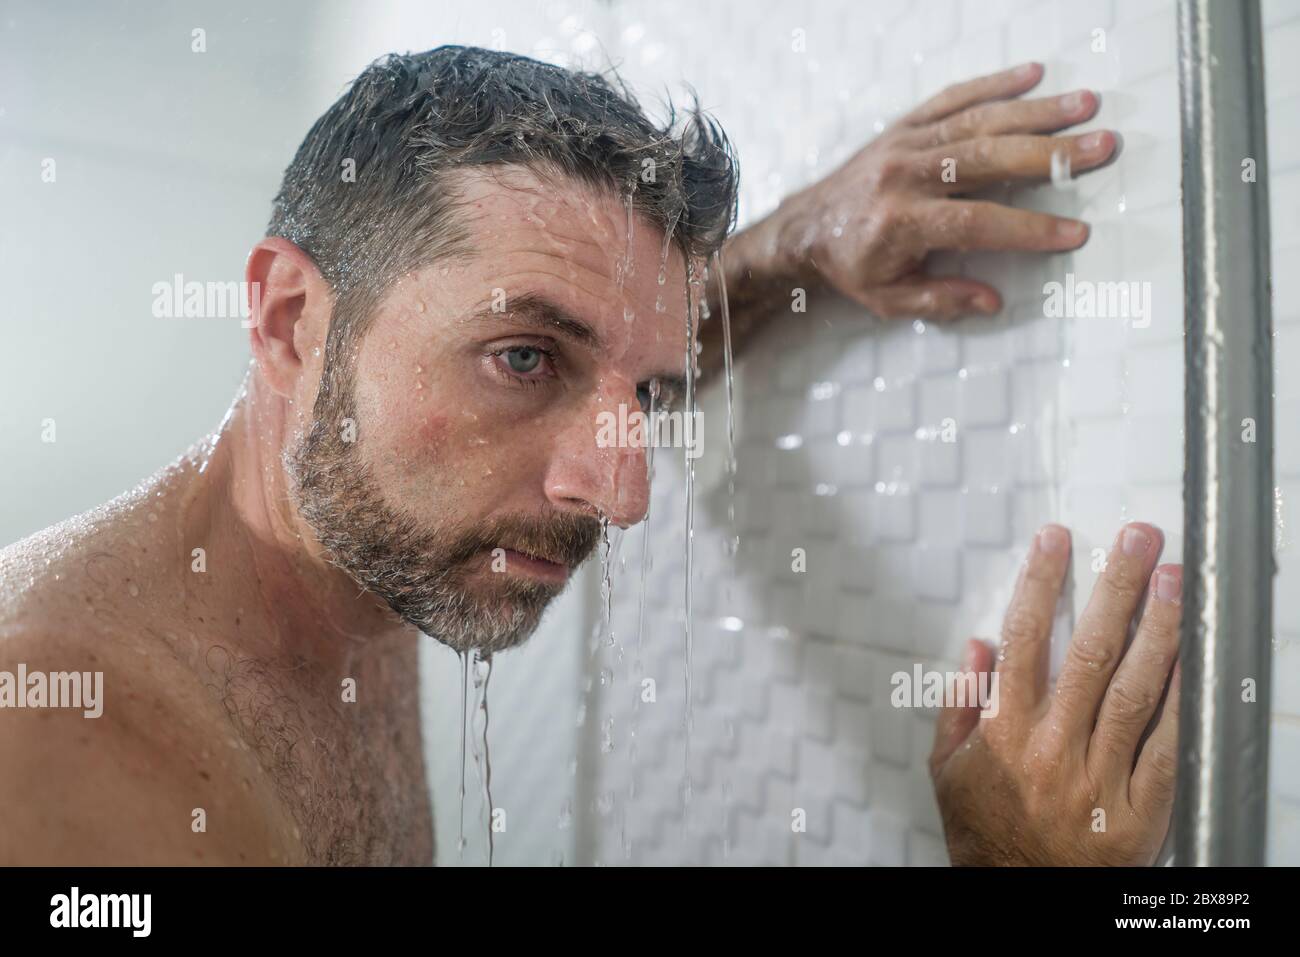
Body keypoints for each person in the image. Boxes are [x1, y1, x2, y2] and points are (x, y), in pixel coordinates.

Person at [0, 45, 1178, 865]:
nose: (620, 493)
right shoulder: (66, 760)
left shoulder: (363, 538)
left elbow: (603, 344)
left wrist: (791, 248)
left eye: (652, 395)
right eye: (523, 361)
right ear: (291, 319)